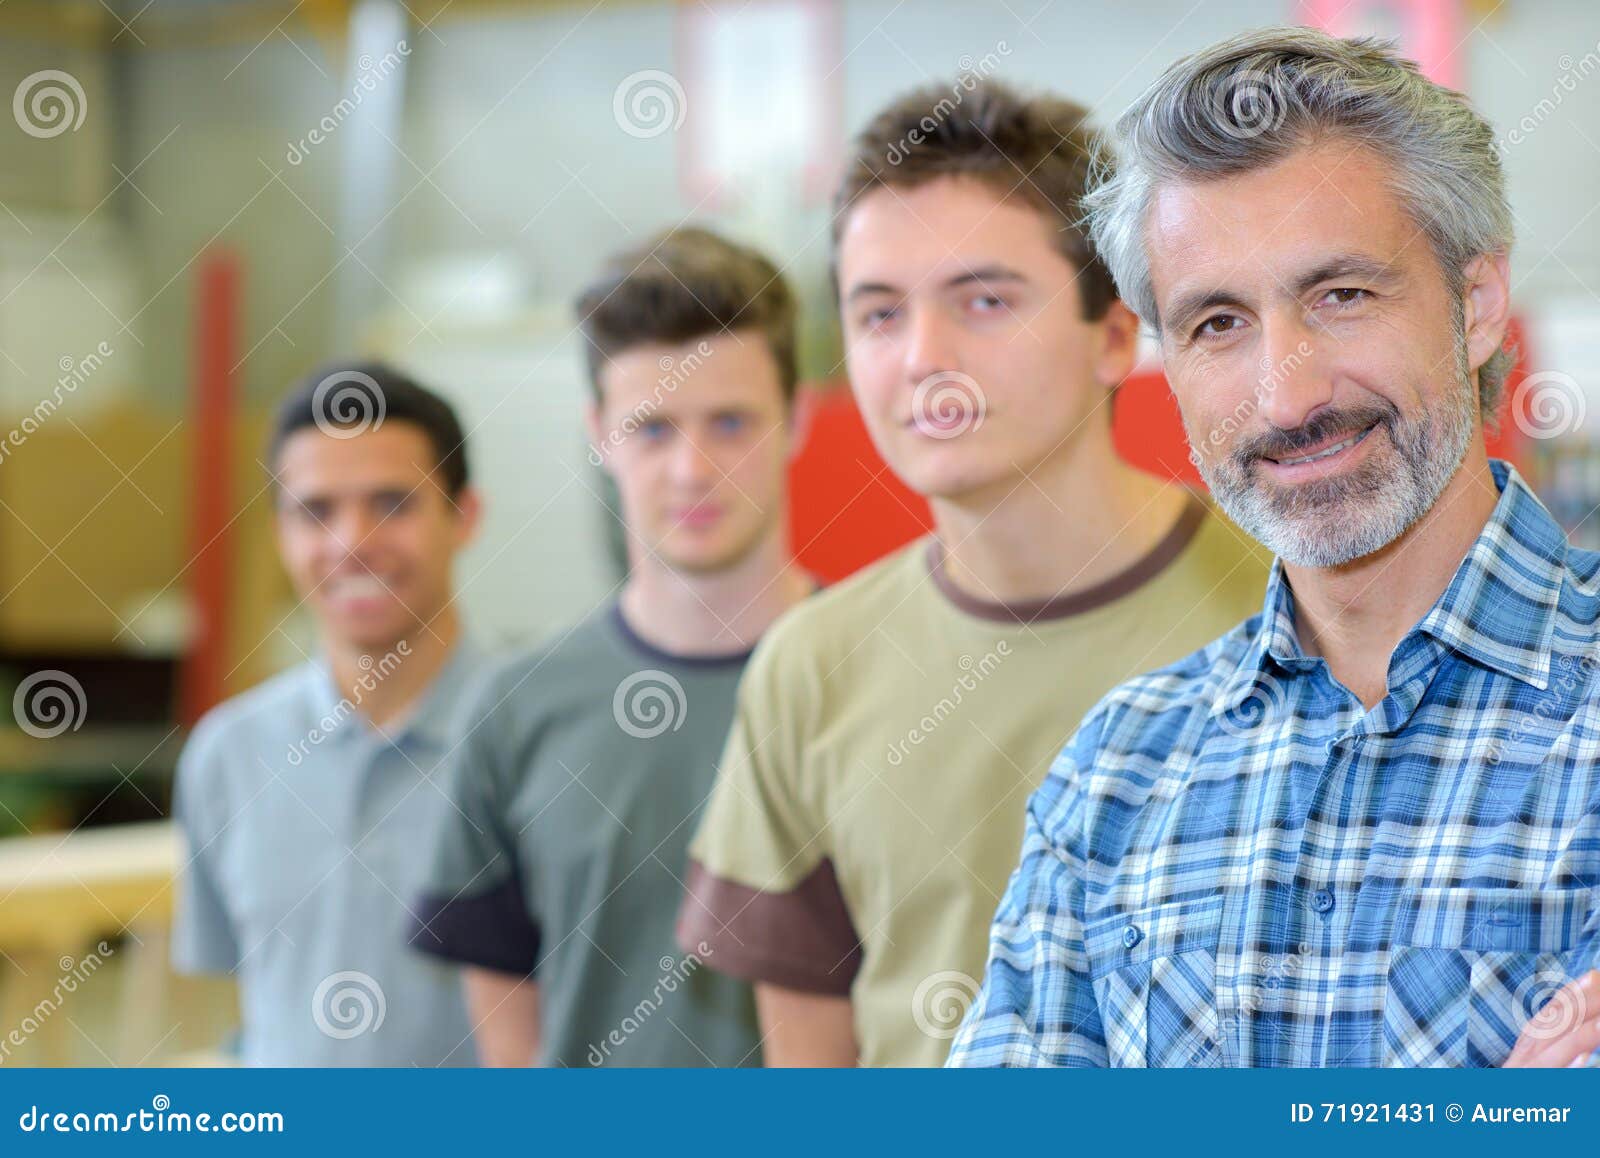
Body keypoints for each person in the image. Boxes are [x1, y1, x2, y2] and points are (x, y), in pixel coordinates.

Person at [950, 27, 1600, 1069]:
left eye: (1340, 295)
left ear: (1474, 304)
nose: (1286, 393)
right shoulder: (1115, 776)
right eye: (1216, 323)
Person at [676, 80, 1271, 1067]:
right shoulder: (808, 669)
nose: (922, 358)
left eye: (983, 300)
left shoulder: (1297, 618)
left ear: (1117, 333)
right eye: (877, 314)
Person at [410, 227, 815, 1067]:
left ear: (798, 418)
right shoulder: (518, 708)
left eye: (731, 422)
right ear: (598, 432)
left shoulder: (887, 673)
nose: (692, 469)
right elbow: (508, 1027)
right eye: (653, 428)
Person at [172, 362, 484, 1066]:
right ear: (280, 534)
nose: (352, 544)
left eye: (393, 503)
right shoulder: (228, 754)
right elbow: (245, 1004)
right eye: (316, 511)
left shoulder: (538, 747)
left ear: (465, 518)